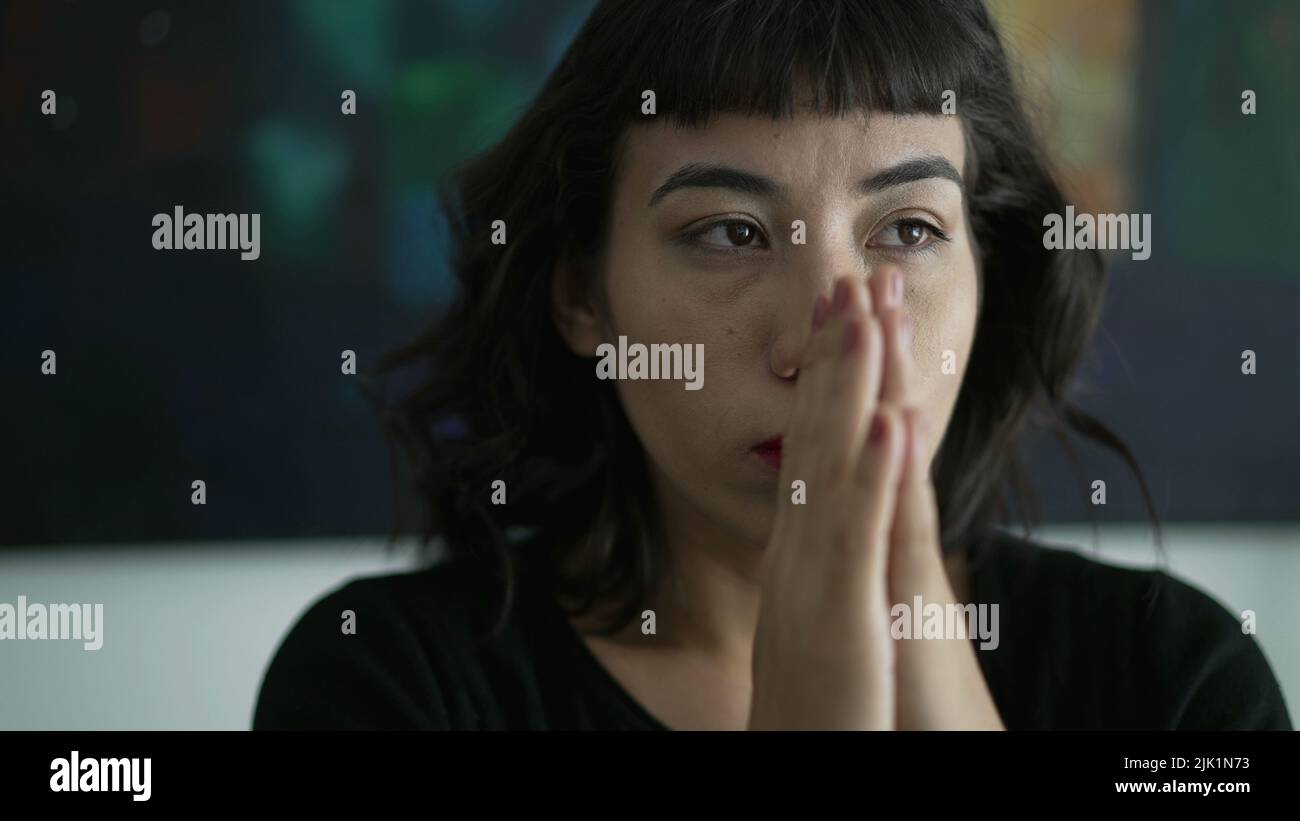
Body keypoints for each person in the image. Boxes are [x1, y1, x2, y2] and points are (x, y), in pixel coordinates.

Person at [253, 0, 1292, 731]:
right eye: (730, 233)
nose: (825, 338)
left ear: (989, 272)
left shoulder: (1170, 678)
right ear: (583, 294)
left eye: (909, 230)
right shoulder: (386, 683)